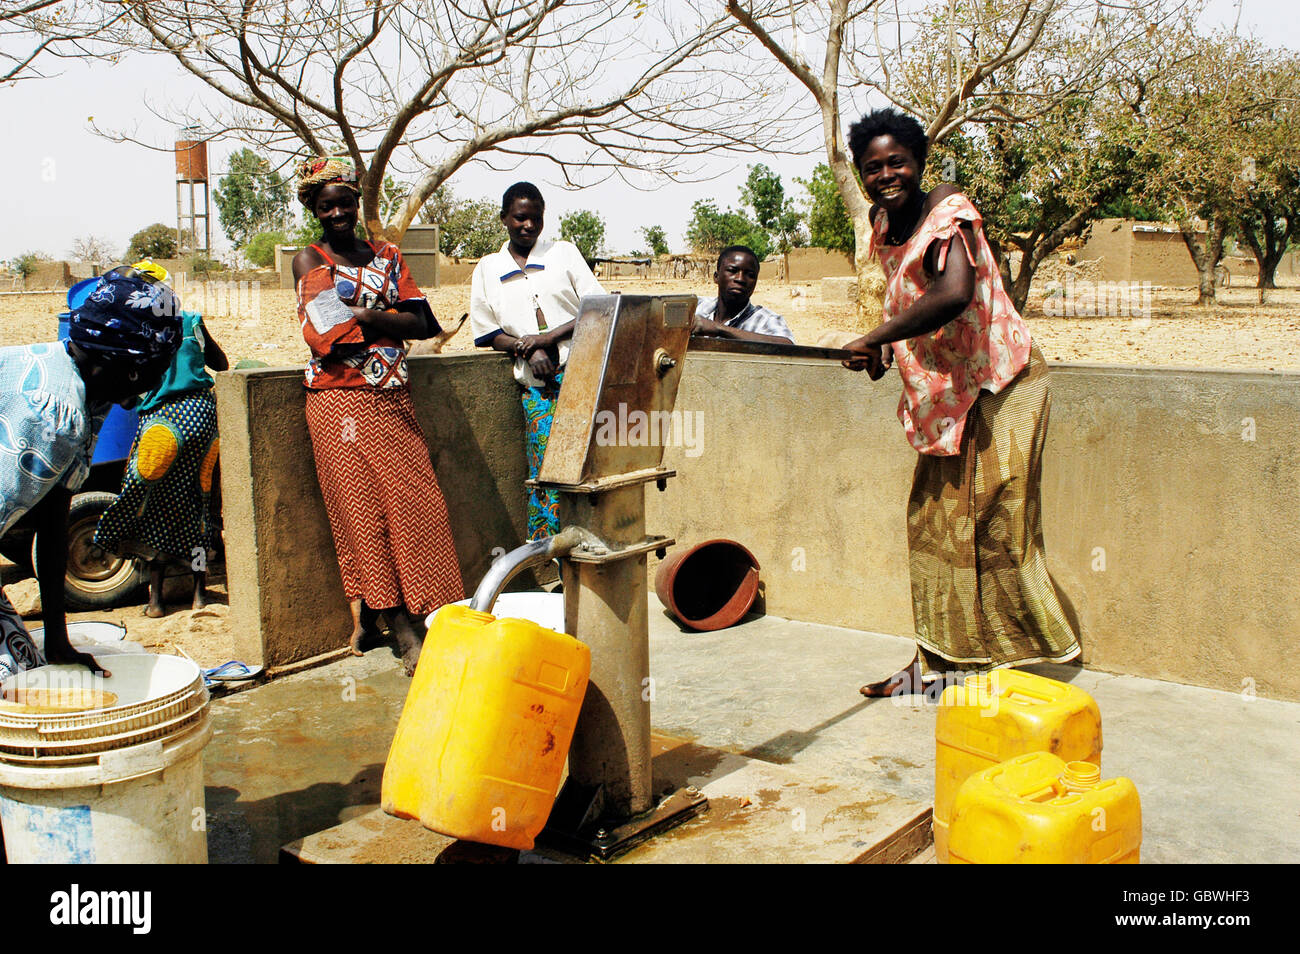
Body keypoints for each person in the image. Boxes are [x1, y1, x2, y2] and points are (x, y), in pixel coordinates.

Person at [841, 108, 1080, 696]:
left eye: (897, 162)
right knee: (932, 527)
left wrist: (877, 337)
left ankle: (1003, 666)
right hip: (948, 397)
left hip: (1002, 386)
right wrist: (886, 352)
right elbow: (911, 310)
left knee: (997, 526)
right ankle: (939, 663)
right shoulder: (881, 227)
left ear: (919, 163)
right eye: (873, 168)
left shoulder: (950, 213)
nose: (886, 175)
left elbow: (954, 293)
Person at [292, 156, 464, 675]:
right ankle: (399, 627)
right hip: (338, 402)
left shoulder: (388, 254)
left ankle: (417, 611)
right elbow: (327, 336)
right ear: (315, 211)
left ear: (356, 202)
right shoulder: (308, 259)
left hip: (391, 397)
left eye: (345, 201)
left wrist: (364, 315)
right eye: (328, 206)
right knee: (363, 515)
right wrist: (389, 321)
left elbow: (425, 321)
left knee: (419, 507)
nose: (339, 211)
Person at [0, 266, 183, 679]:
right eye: (156, 369)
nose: (152, 385)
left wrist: (59, 641)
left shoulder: (88, 395)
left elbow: (52, 524)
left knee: (25, 664)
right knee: (11, 681)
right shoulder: (52, 414)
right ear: (132, 365)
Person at [469, 181, 605, 540]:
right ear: (504, 219)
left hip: (584, 381)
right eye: (520, 218)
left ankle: (590, 562)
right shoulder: (488, 267)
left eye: (536, 218)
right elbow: (487, 333)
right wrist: (527, 348)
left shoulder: (563, 254)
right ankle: (554, 565)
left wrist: (547, 339)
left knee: (591, 473)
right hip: (538, 390)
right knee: (547, 474)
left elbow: (599, 309)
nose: (528, 225)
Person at [94, 279, 228, 618]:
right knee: (198, 506)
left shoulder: (134, 330)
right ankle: (200, 595)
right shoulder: (191, 320)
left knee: (151, 509)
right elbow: (221, 363)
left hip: (162, 424)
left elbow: (124, 396)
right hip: (200, 419)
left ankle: (155, 602)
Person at [692, 245, 795, 344]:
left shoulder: (764, 320)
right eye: (732, 271)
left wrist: (719, 329)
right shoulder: (695, 307)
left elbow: (788, 346)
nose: (740, 279)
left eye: (750, 275)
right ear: (716, 277)